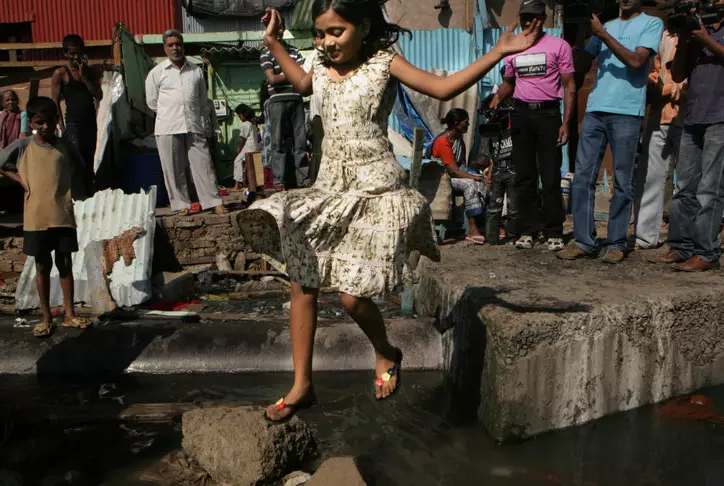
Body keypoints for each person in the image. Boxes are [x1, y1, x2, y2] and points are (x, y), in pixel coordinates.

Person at [236, 2, 542, 424]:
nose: (327, 43)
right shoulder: (320, 67)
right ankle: (302, 385)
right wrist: (273, 41)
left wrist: (497, 52)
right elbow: (303, 84)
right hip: (328, 188)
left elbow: (442, 88)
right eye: (321, 35)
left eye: (337, 32)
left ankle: (384, 350)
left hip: (374, 189)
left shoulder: (384, 62)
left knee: (350, 297)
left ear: (362, 27)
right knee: (301, 282)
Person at [557, 0, 663, 263]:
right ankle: (584, 240)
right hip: (595, 109)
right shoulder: (605, 25)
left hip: (627, 111)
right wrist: (585, 31)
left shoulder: (652, 23)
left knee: (622, 181)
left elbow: (637, 61)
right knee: (582, 177)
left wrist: (603, 34)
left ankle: (616, 242)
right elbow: (581, 63)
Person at [0, 97, 91, 338]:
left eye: (50, 121)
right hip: (36, 217)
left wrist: (69, 188)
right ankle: (46, 317)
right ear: (32, 122)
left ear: (56, 120)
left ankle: (70, 314)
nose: (46, 127)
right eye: (40, 122)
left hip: (61, 214)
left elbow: (79, 166)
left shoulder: (65, 146)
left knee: (65, 263)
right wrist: (20, 180)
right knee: (41, 265)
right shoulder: (24, 145)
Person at [491, 0, 576, 252]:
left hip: (548, 115)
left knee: (550, 176)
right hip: (520, 115)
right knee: (524, 177)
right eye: (524, 17)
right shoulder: (513, 47)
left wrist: (567, 122)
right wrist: (497, 98)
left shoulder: (559, 46)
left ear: (542, 18)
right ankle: (527, 230)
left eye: (532, 17)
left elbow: (570, 86)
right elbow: (509, 83)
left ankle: (553, 231)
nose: (528, 22)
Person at [648, 3, 724, 271]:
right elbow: (678, 75)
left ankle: (707, 252)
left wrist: (706, 40)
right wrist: (683, 41)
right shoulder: (695, 32)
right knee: (684, 186)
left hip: (720, 118)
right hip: (693, 116)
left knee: (710, 189)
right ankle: (681, 247)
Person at [145, 30, 226, 215]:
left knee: (204, 164)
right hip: (168, 126)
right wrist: (171, 113)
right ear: (165, 48)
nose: (175, 48)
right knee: (173, 168)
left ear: (183, 45)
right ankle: (182, 205)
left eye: (178, 44)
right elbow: (151, 102)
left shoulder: (196, 71)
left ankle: (214, 201)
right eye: (171, 45)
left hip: (194, 124)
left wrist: (202, 122)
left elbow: (202, 100)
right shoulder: (156, 73)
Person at [633, 30, 687, 250]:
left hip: (688, 117)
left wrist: (667, 90)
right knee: (650, 178)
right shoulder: (664, 35)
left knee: (686, 183)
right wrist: (652, 84)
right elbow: (655, 70)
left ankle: (683, 240)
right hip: (659, 116)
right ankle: (645, 237)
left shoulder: (704, 33)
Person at [260, 16, 309, 190]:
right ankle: (279, 181)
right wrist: (292, 72)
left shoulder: (295, 51)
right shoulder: (266, 53)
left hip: (296, 99)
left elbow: (302, 76)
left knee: (300, 141)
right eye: (275, 28)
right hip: (276, 101)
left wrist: (287, 74)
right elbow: (272, 79)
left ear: (283, 30)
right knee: (277, 142)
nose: (278, 31)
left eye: (280, 28)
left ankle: (303, 179)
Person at [52, 34, 101, 200]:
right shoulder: (61, 74)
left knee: (89, 158)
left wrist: (85, 76)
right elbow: (55, 102)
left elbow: (98, 95)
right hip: (73, 123)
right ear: (65, 54)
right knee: (76, 160)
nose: (75, 57)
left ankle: (89, 195)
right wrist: (61, 126)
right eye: (71, 53)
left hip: (89, 121)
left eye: (78, 53)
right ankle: (77, 198)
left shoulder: (89, 71)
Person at [429, 108, 488, 244]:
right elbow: (454, 171)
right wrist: (474, 177)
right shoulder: (443, 142)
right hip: (442, 180)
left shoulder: (458, 138)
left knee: (482, 184)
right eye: (465, 123)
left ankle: (482, 224)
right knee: (470, 184)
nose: (467, 125)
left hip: (454, 177)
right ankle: (473, 229)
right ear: (456, 123)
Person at [483, 91, 518, 245]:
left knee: (513, 208)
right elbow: (492, 157)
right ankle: (491, 239)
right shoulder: (491, 132)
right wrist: (490, 174)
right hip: (498, 170)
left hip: (512, 170)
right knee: (493, 208)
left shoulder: (514, 127)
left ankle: (512, 237)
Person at [232, 104, 262, 190]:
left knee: (237, 161)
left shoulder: (245, 124)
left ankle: (237, 185)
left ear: (242, 115)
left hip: (248, 149)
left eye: (239, 116)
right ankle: (243, 184)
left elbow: (243, 139)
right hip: (255, 148)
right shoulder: (253, 124)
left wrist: (239, 148)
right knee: (248, 166)